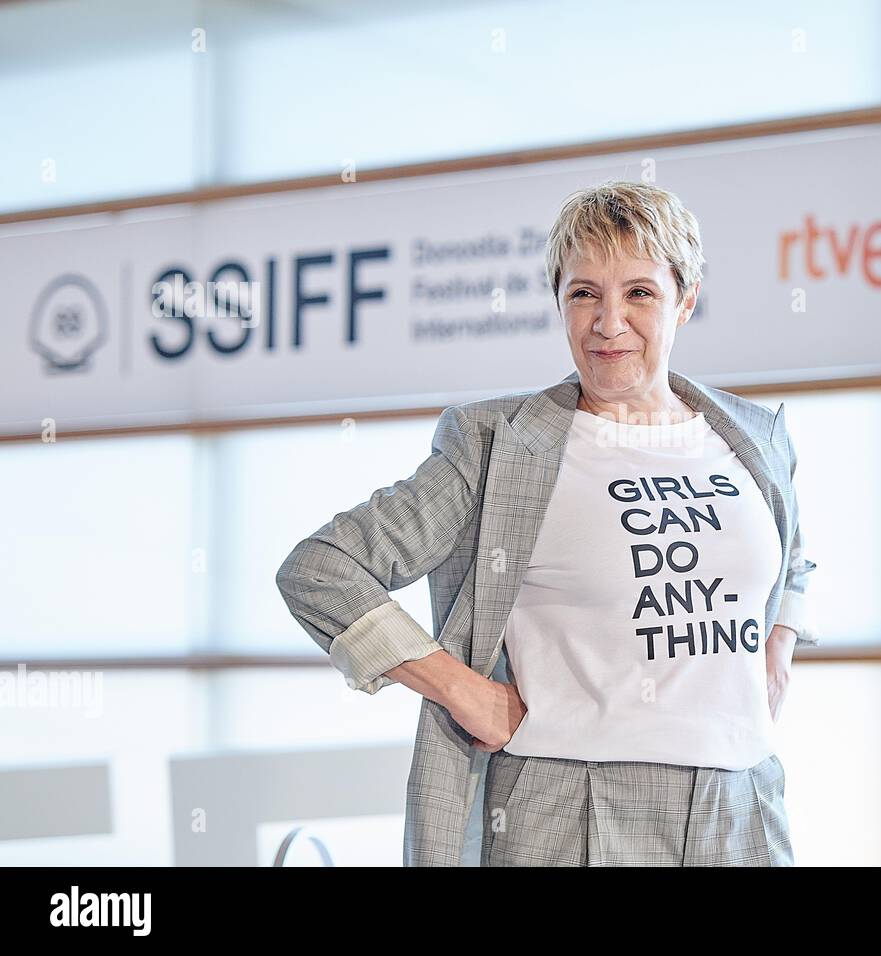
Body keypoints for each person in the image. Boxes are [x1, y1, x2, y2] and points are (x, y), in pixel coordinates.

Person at [276, 180, 819, 866]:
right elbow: (323, 569)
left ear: (686, 299)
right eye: (583, 293)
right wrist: (462, 691)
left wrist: (781, 646)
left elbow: (792, 553)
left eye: (639, 293)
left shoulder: (755, 437)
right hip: (571, 811)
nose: (608, 322)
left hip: (742, 810)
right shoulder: (496, 445)